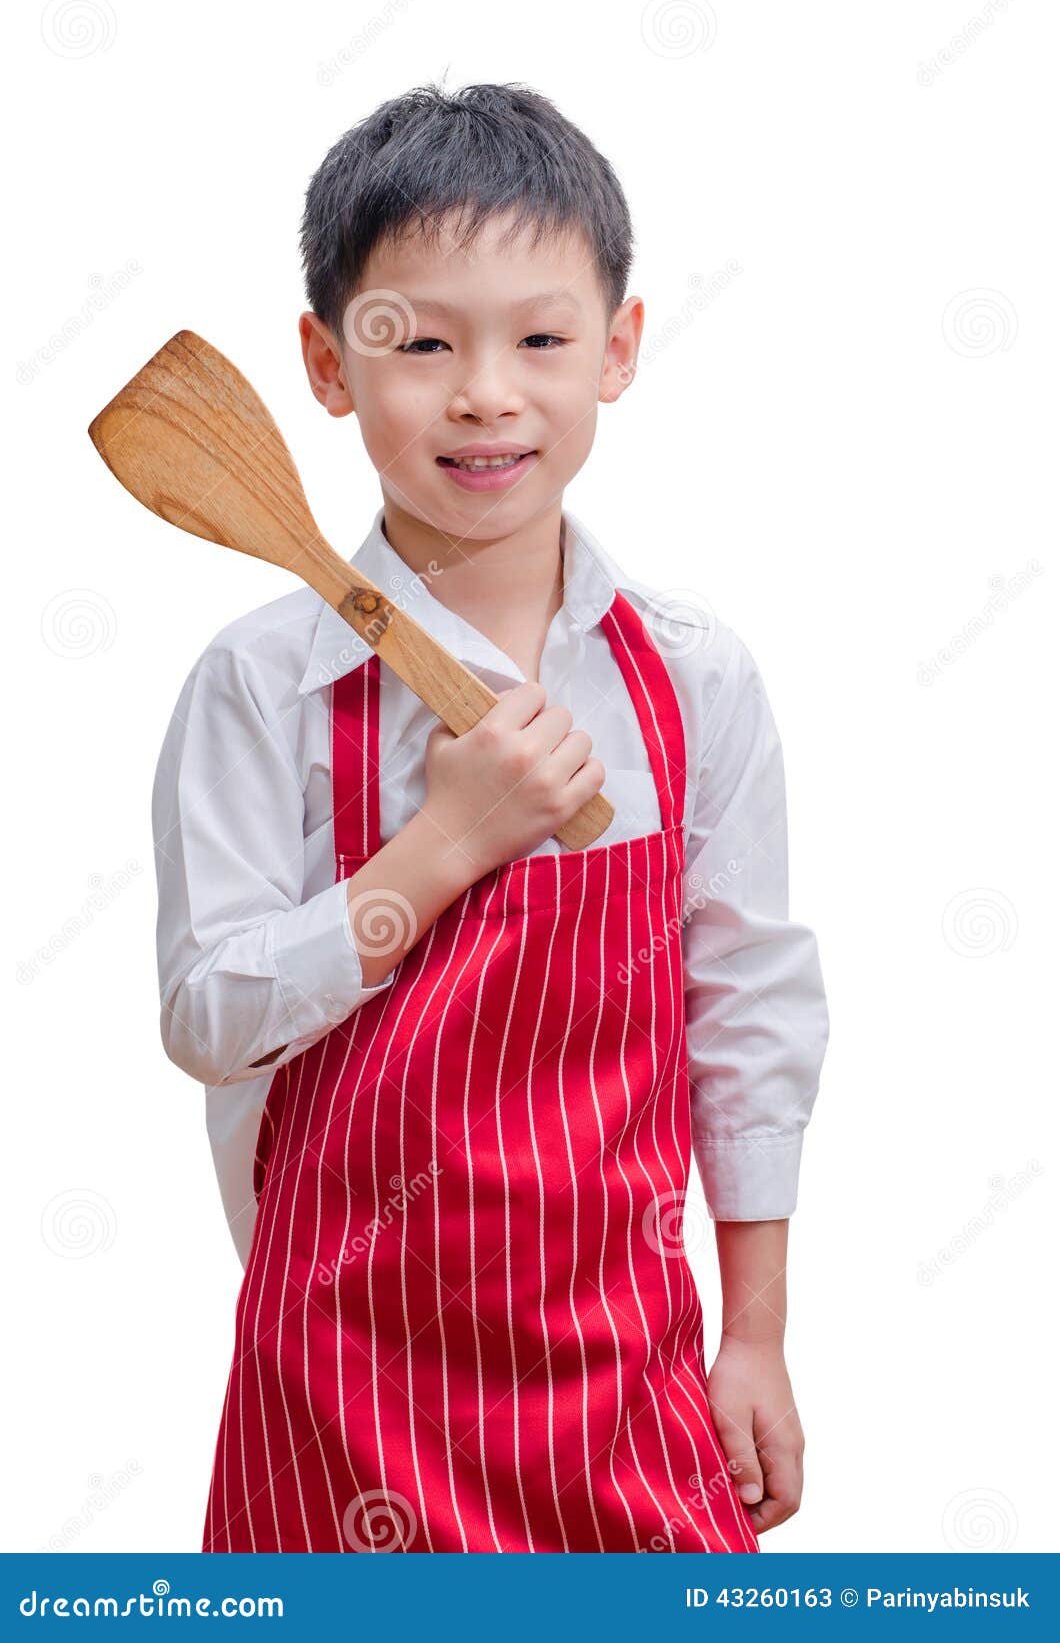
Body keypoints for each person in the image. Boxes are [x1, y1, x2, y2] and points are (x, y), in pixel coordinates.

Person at [152, 81, 830, 1554]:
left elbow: (747, 1004)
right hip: (341, 1389)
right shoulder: (264, 687)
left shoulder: (690, 677)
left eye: (540, 339)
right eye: (419, 342)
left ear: (620, 349)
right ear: (328, 366)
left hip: (626, 1381)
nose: (485, 394)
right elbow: (208, 1016)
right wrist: (444, 845)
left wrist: (757, 1332)